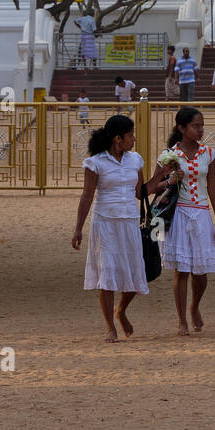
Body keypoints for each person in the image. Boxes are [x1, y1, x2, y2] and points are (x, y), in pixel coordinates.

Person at [146, 106, 215, 336]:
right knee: (182, 270)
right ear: (182, 128)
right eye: (195, 126)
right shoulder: (168, 155)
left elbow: (212, 187)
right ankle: (182, 320)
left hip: (201, 213)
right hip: (178, 213)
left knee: (201, 271)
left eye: (201, 126)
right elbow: (153, 187)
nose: (200, 130)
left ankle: (195, 306)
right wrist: (170, 178)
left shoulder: (209, 154)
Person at [71, 114, 148, 342]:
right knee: (107, 273)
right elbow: (86, 197)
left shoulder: (136, 160)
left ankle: (121, 310)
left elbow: (140, 192)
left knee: (134, 273)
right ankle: (110, 327)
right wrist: (78, 229)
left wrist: (164, 177)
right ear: (118, 139)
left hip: (130, 222)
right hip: (105, 223)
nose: (133, 139)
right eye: (130, 135)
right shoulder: (96, 163)